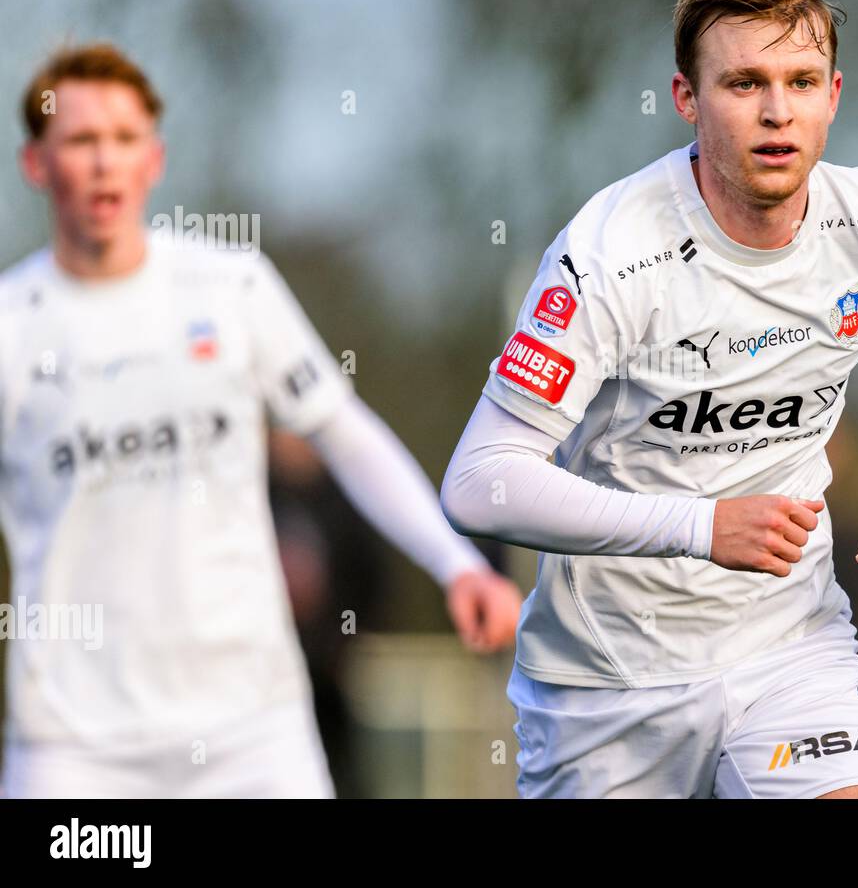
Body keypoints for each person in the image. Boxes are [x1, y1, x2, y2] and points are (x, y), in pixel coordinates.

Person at [440, 0, 858, 798]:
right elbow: (479, 484)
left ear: (834, 95)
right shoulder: (612, 254)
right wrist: (701, 526)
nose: (776, 112)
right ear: (687, 98)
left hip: (789, 653)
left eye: (801, 81)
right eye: (744, 83)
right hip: (608, 685)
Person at [0, 43, 521, 798]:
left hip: (249, 729)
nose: (106, 162)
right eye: (81, 141)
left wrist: (456, 562)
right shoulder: (12, 326)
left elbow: (342, 432)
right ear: (37, 164)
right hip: (73, 748)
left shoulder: (230, 287)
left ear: (156, 159)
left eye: (124, 139)